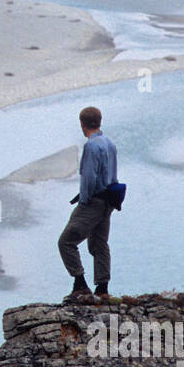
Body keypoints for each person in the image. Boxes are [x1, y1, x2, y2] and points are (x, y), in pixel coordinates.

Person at [58, 106, 118, 302]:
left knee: (66, 241)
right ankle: (102, 288)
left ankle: (80, 284)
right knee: (99, 243)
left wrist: (83, 201)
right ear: (99, 121)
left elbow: (89, 178)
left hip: (93, 201)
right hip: (109, 200)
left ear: (82, 124)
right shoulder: (109, 144)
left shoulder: (91, 146)